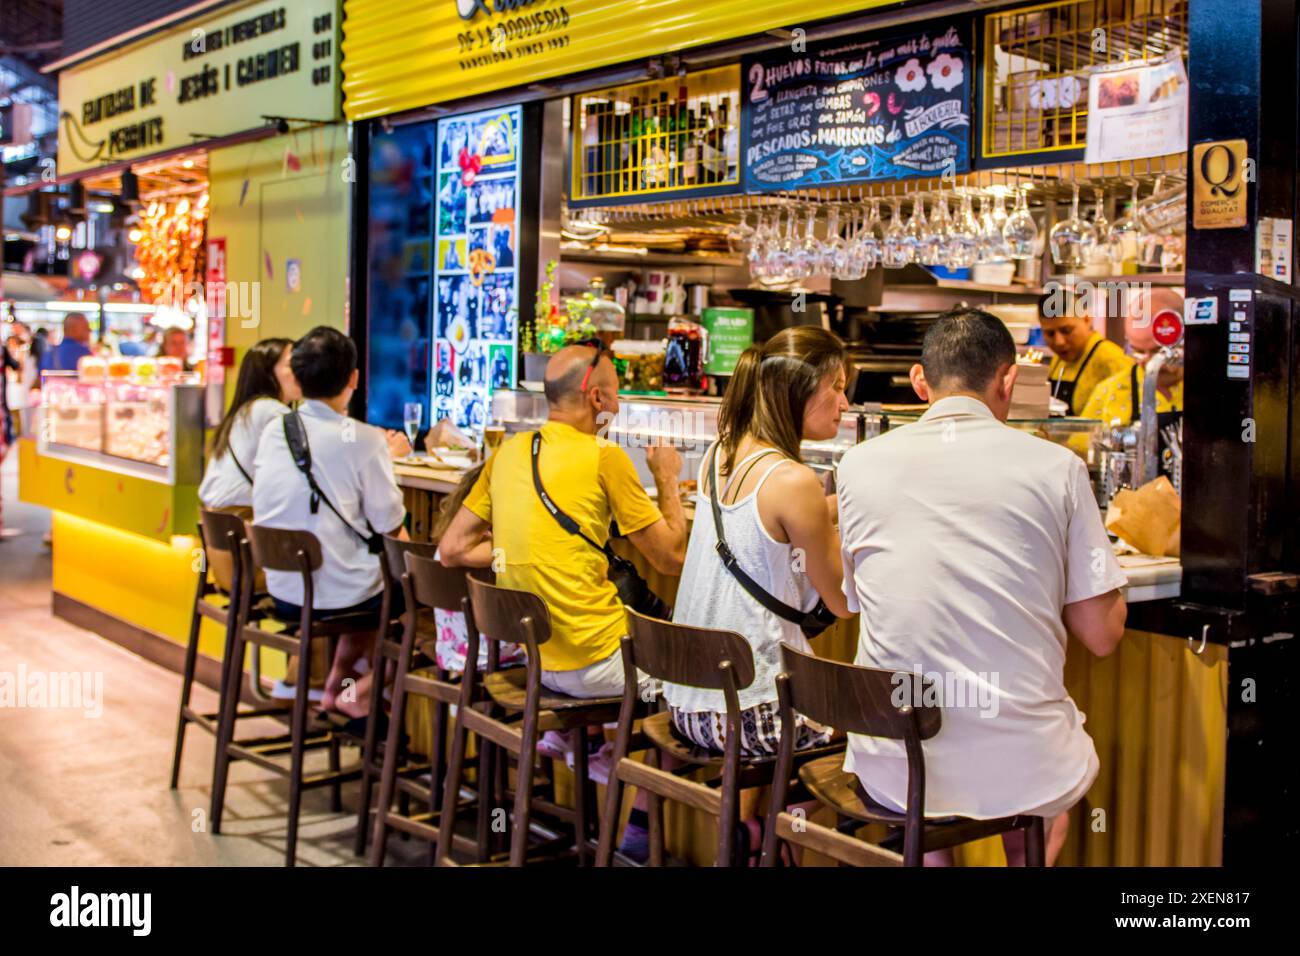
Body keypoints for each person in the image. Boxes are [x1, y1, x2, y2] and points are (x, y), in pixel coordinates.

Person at [837, 308, 1128, 866]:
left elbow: (855, 600)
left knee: (932, 799)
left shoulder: (857, 465)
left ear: (920, 382)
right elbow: (1102, 635)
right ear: (1008, 380)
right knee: (1048, 802)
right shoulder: (1058, 468)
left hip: (891, 760)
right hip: (1017, 760)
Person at [438, 342, 688, 861]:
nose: (618, 402)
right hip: (596, 666)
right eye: (615, 392)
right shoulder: (605, 457)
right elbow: (671, 557)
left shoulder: (508, 453)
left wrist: (519, 545)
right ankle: (637, 821)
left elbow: (451, 549)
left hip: (536, 663)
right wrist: (666, 475)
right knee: (704, 682)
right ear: (596, 397)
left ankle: (594, 747)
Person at [667, 326, 852, 758]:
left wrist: (839, 507)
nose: (845, 404)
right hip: (753, 717)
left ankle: (743, 809)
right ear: (800, 389)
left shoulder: (720, 453)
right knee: (884, 722)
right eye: (838, 387)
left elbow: (772, 520)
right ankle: (779, 804)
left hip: (686, 704)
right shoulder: (794, 480)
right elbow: (843, 602)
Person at [253, 327, 411, 717]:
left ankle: (338, 689)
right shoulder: (364, 439)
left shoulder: (274, 430)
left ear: (297, 376)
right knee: (413, 606)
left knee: (368, 585)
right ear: (353, 378)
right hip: (336, 594)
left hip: (284, 589)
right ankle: (359, 694)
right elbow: (390, 525)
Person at [199, 338, 299, 513]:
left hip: (219, 516)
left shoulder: (248, 409)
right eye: (292, 364)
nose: (302, 371)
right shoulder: (271, 410)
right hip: (244, 515)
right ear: (268, 372)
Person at [1080, 287, 1183, 439]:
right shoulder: (1108, 392)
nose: (1148, 362)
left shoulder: (1213, 389)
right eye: (1138, 352)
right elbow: (1080, 448)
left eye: (1158, 351)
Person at [1038, 288, 1131, 415]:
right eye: (1050, 333)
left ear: (1087, 320)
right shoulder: (1059, 359)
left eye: (1066, 331)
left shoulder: (1112, 360)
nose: (1059, 342)